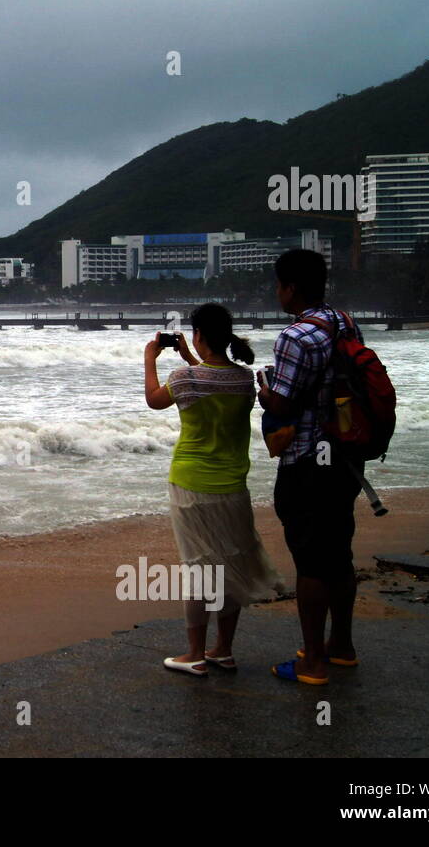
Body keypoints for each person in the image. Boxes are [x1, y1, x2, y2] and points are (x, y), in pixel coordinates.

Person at [144, 303, 283, 676]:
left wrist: (149, 358)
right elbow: (208, 377)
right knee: (229, 564)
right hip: (233, 486)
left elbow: (154, 399)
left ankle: (194, 653)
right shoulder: (243, 380)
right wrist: (190, 355)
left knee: (199, 568)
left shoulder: (185, 378)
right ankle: (222, 649)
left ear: (199, 335)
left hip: (191, 485)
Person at [258, 248, 363, 686]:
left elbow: (284, 400)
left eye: (279, 285)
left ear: (291, 287)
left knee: (310, 562)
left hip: (306, 461)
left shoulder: (296, 336)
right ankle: (340, 646)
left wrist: (264, 392)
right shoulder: (344, 321)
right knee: (338, 552)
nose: (277, 292)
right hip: (345, 458)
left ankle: (312, 663)